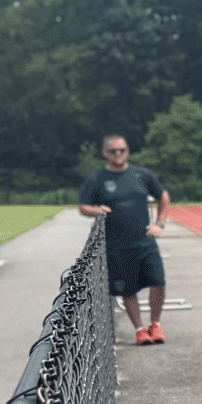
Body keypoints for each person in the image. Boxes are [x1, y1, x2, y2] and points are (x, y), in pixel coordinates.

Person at [78, 135, 171, 345]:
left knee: (158, 282)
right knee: (128, 289)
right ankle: (139, 329)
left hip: (145, 241)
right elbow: (83, 206)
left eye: (122, 150)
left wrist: (160, 223)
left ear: (127, 151)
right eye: (113, 151)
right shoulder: (96, 179)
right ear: (104, 153)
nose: (118, 154)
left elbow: (163, 196)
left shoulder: (142, 174)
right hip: (117, 245)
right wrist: (96, 210)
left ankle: (155, 325)